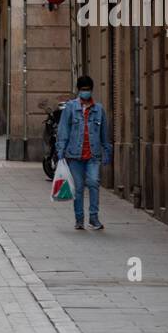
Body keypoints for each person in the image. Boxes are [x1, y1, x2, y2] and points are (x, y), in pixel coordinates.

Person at [55, 75, 112, 231]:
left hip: (93, 155)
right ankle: (79, 219)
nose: (85, 92)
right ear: (78, 90)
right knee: (78, 188)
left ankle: (94, 218)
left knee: (94, 183)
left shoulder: (99, 110)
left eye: (88, 90)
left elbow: (104, 133)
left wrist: (107, 150)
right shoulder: (70, 108)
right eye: (83, 90)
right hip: (75, 156)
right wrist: (61, 149)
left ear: (91, 90)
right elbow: (63, 130)